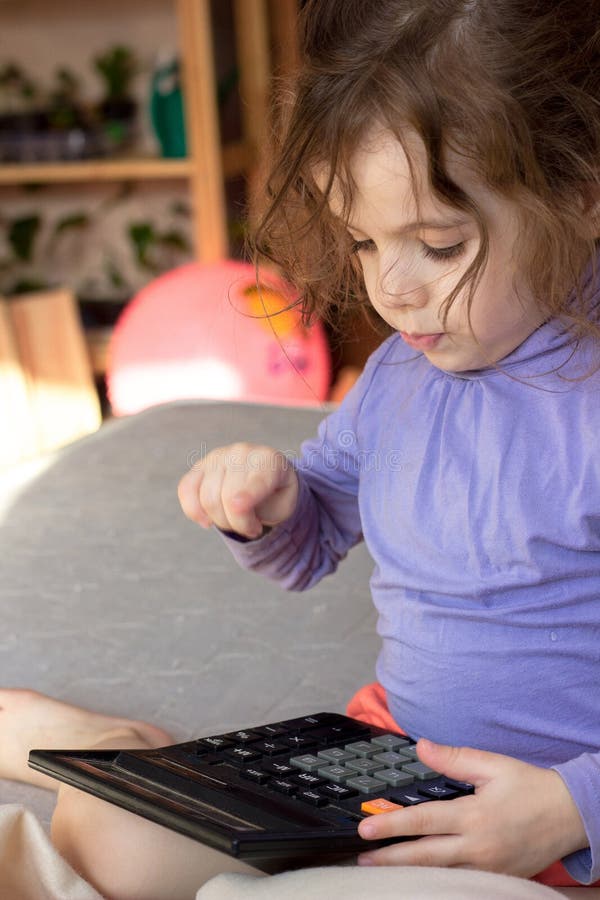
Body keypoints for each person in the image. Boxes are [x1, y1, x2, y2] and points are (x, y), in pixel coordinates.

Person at [2, 0, 599, 897]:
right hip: (393, 765)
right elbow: (310, 541)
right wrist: (276, 503)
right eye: (363, 241)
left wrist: (569, 808)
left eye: (439, 246)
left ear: (579, 192)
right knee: (104, 833)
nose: (392, 290)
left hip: (554, 824)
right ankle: (115, 748)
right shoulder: (400, 375)